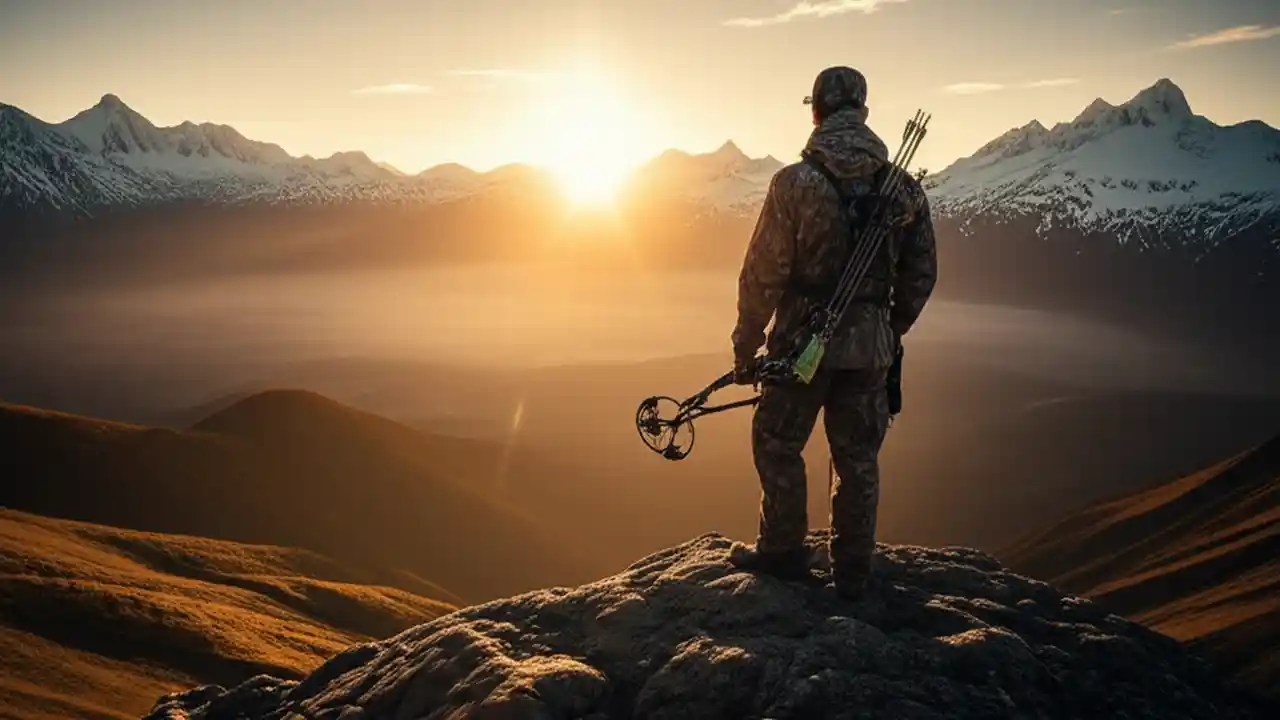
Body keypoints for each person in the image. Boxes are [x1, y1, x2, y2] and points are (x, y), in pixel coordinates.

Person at [729, 66, 937, 600]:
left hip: (800, 342)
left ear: (817, 111)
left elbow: (764, 273)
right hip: (869, 351)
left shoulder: (793, 184)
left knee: (777, 442)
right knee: (857, 460)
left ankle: (781, 554)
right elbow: (920, 275)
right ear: (862, 111)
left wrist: (746, 344)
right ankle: (852, 575)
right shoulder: (903, 189)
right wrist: (888, 330)